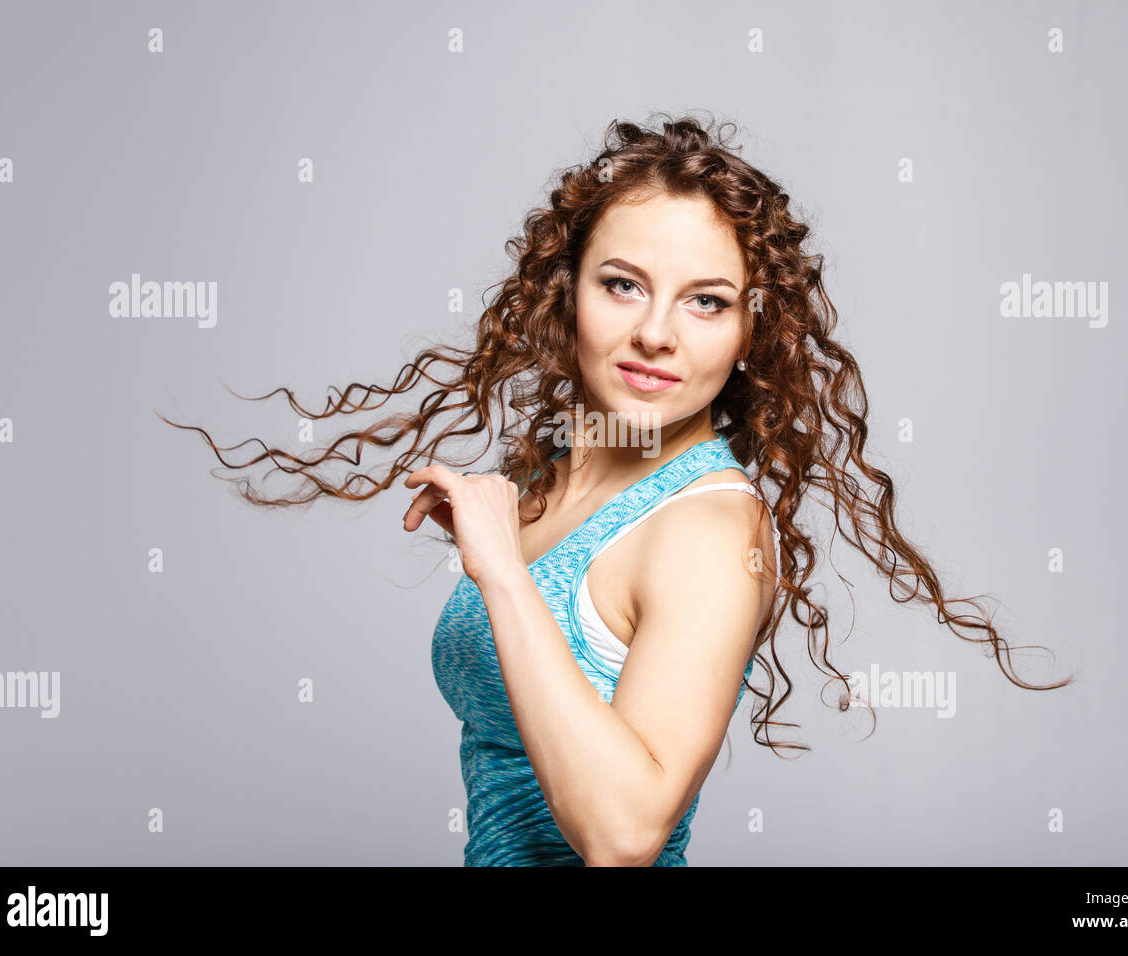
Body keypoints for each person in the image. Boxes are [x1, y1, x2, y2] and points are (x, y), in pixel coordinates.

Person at [160, 112, 1072, 867]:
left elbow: (625, 834)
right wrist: (501, 533)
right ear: (568, 294)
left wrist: (505, 577)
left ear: (754, 331)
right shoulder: (555, 475)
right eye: (624, 284)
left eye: (707, 301)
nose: (656, 334)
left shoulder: (712, 527)